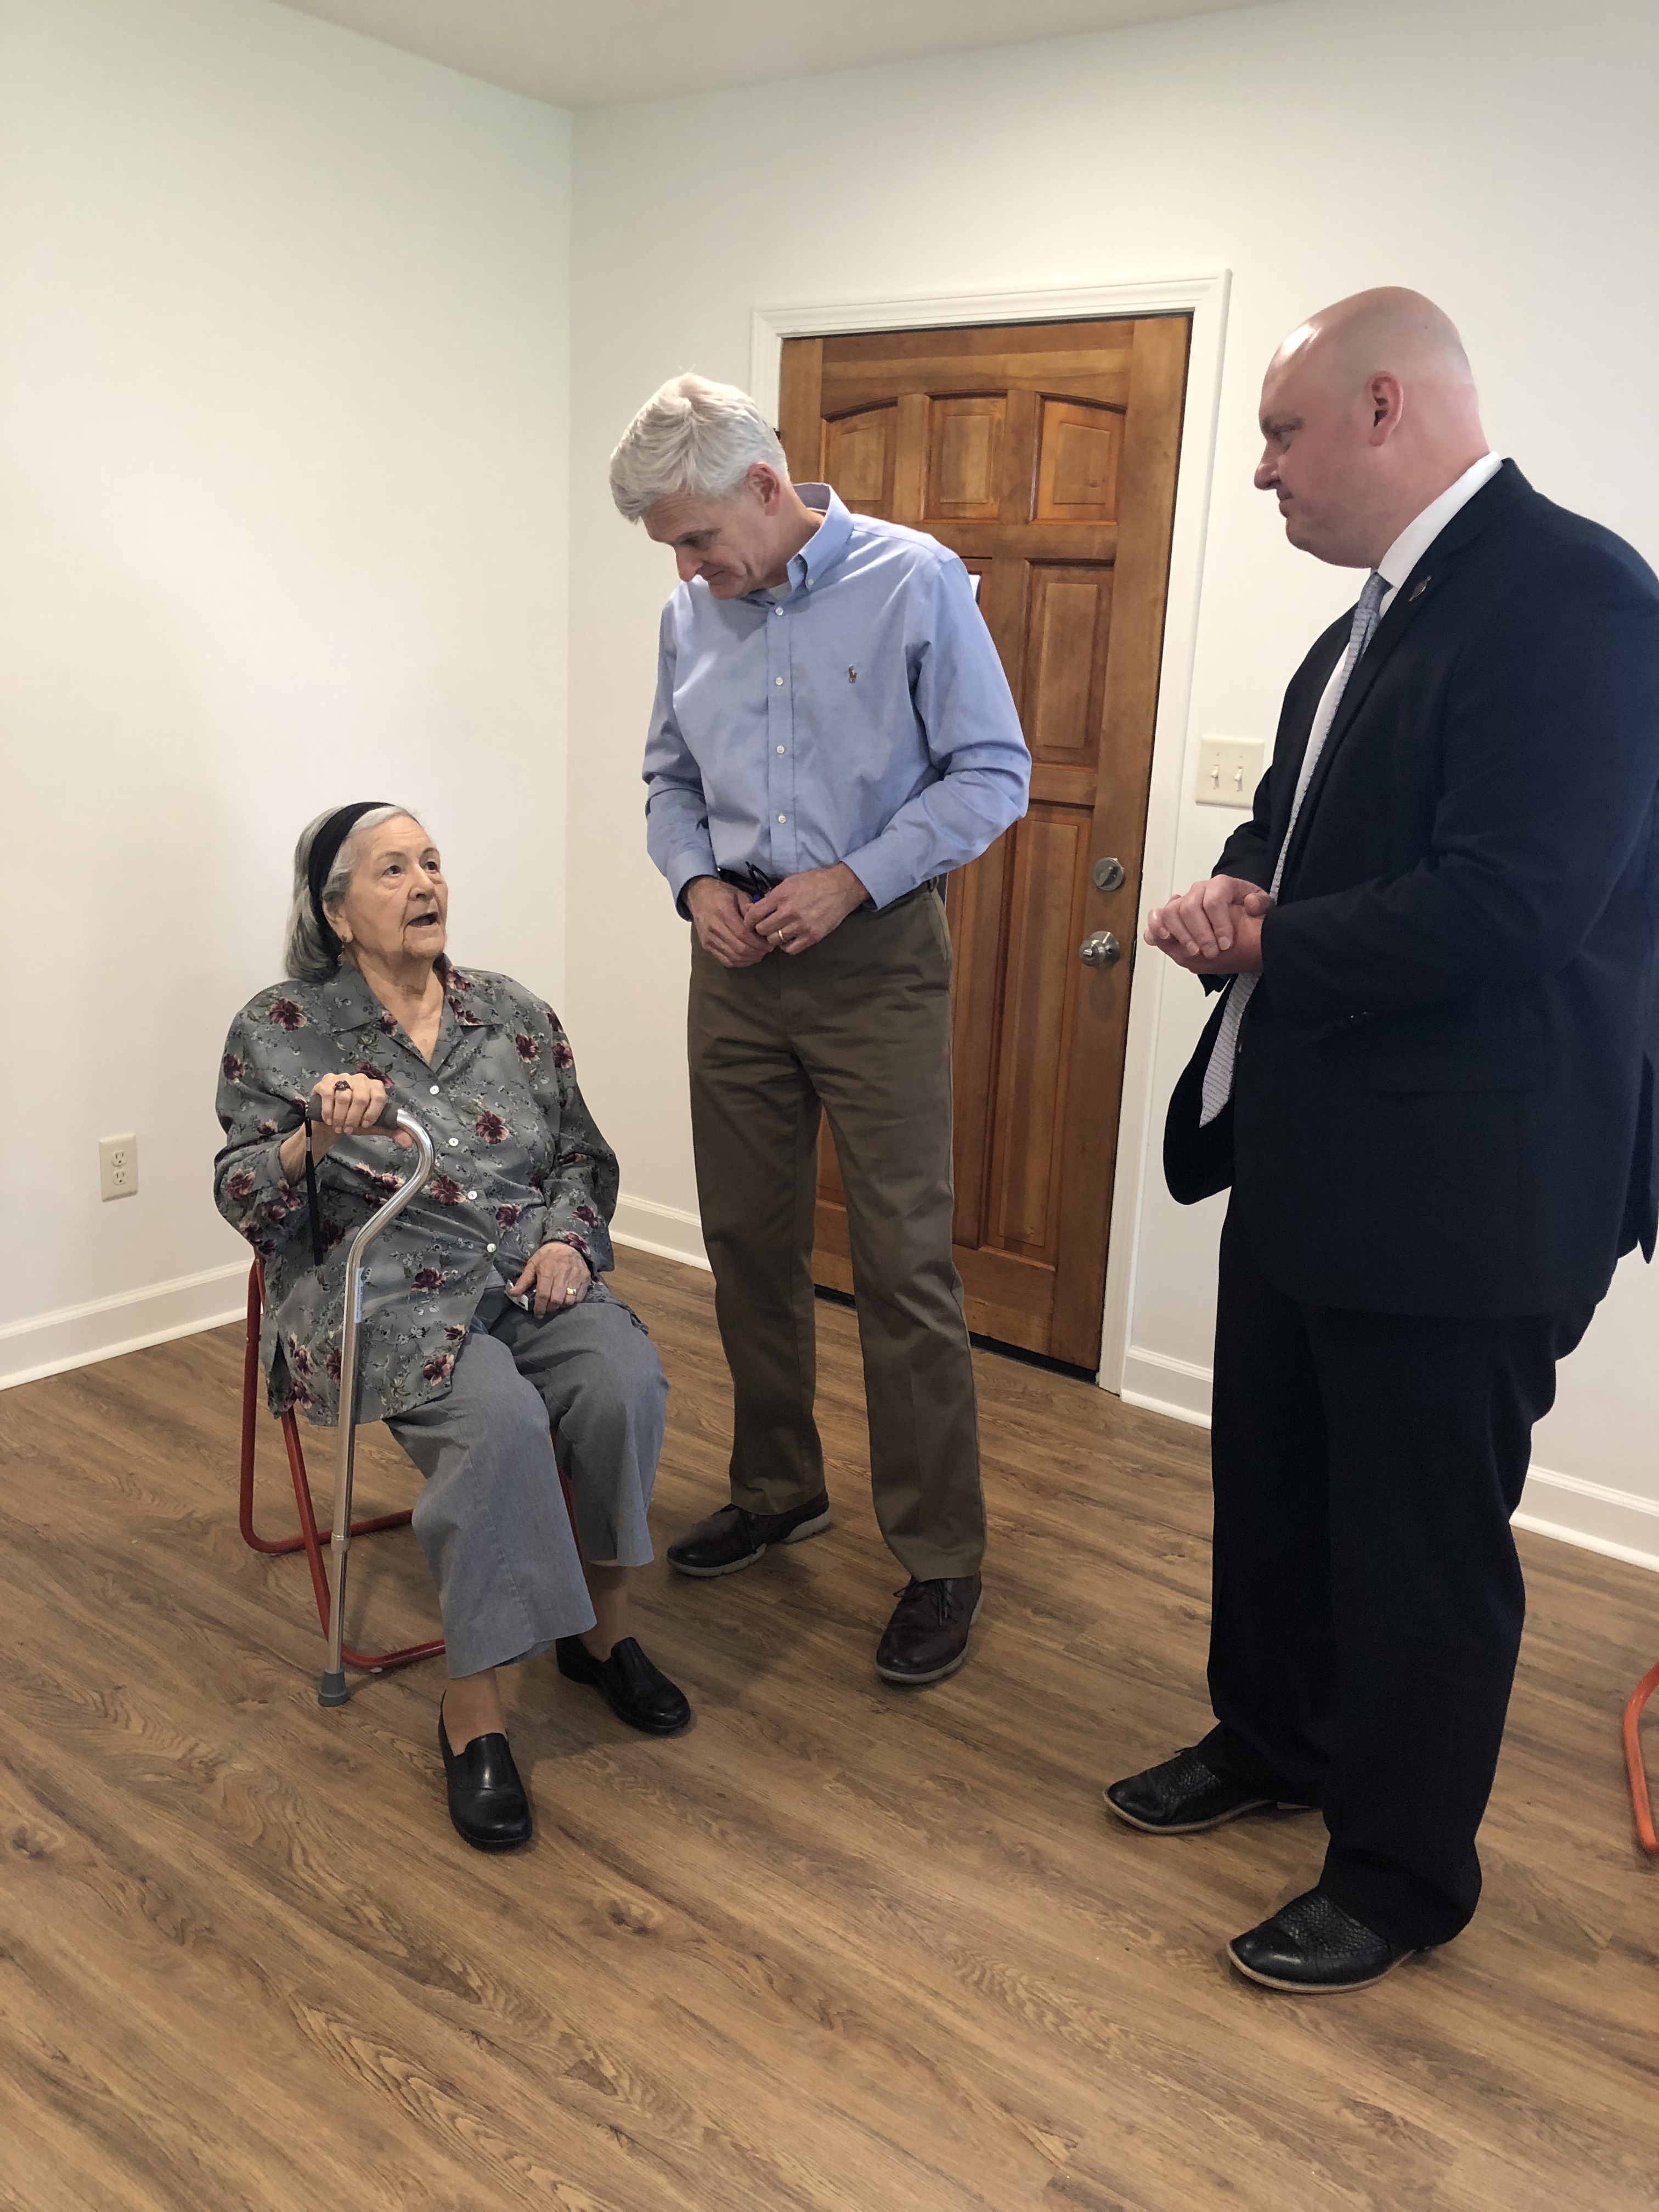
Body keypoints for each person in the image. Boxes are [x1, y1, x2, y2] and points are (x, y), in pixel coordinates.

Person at [1111, 289, 1659, 1993]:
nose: (1261, 472)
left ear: (1385, 408)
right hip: (1315, 1154)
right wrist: (1234, 890)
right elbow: (1300, 831)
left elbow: (1517, 906)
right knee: (1269, 1479)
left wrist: (1272, 941)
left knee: (1422, 1545)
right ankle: (1272, 1741)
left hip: (1472, 1188)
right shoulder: (1354, 631)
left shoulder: (1578, 599)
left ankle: (1403, 1873)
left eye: (1280, 433)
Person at [608, 374, 1030, 1685]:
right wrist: (692, 887)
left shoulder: (917, 582)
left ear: (762, 487)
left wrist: (855, 877)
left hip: (876, 955)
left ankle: (940, 1555)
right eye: (670, 549)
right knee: (745, 1241)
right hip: (733, 959)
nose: (686, 568)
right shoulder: (692, 611)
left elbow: (995, 772)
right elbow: (668, 781)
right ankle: (779, 1484)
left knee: (904, 1265)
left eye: (693, 536)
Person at [216, 802, 690, 1853]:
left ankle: (602, 1633)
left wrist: (570, 1241)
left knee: (624, 1384)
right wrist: (307, 1139)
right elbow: (245, 1196)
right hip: (384, 1294)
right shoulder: (283, 1030)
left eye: (431, 863)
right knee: (502, 1431)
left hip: (529, 1272)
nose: (424, 884)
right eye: (392, 871)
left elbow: (581, 1156)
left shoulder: (513, 1013)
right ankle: (471, 1709)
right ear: (338, 912)